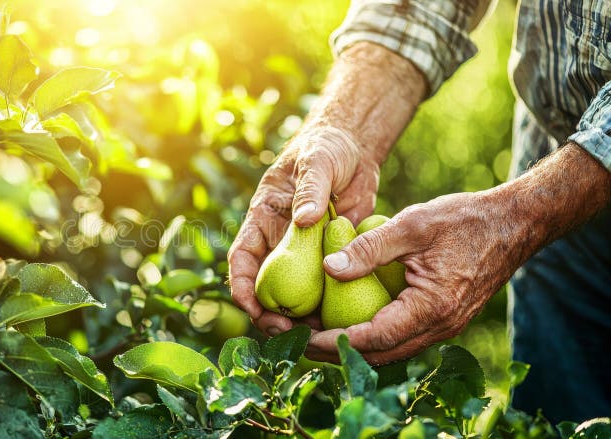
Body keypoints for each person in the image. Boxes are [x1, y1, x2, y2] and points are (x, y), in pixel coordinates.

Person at [227, 0, 611, 423]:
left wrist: (514, 218)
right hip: (555, 180)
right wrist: (341, 128)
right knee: (558, 417)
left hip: (547, 199)